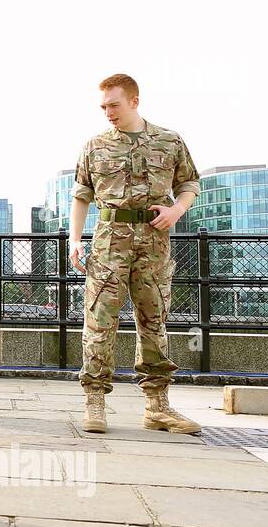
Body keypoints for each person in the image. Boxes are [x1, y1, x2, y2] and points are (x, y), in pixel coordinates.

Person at [68, 74, 201, 435]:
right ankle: (95, 402)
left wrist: (177, 210)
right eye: (103, 107)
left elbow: (190, 184)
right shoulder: (95, 146)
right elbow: (81, 196)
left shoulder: (169, 141)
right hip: (109, 241)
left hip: (154, 242)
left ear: (134, 101)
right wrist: (75, 239)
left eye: (114, 104)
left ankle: (157, 407)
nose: (108, 112)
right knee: (99, 321)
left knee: (154, 321)